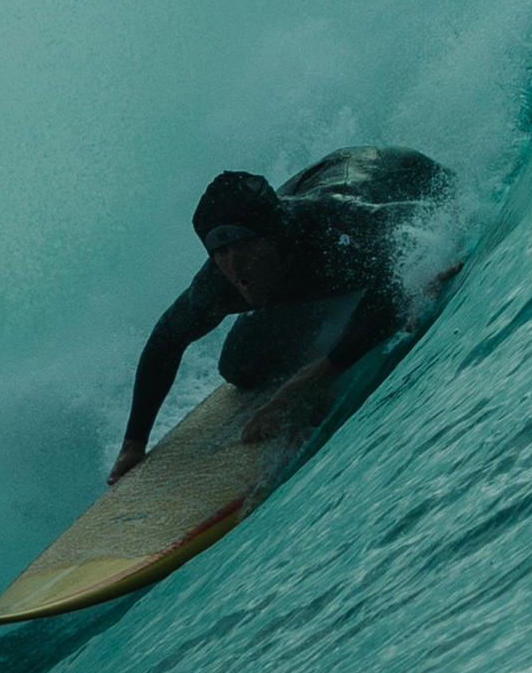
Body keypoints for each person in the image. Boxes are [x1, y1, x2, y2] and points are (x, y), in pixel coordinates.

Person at [117, 146, 447, 476]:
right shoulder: (219, 282)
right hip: (305, 207)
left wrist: (323, 371)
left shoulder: (334, 227)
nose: (233, 263)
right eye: (220, 250)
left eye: (244, 244)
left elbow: (424, 234)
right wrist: (134, 443)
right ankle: (322, 312)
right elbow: (166, 338)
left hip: (392, 172)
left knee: (387, 276)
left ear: (274, 237)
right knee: (241, 366)